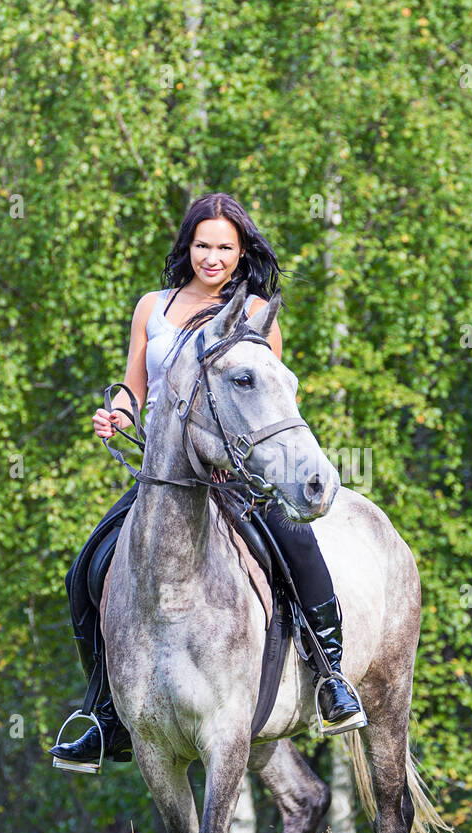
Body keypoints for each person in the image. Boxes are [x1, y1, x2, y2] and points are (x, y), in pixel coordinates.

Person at [50, 193, 366, 769]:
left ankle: (331, 675)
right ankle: (105, 711)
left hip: (235, 476)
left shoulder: (256, 314)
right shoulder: (153, 307)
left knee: (296, 545)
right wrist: (117, 413)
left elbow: (268, 397)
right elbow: (133, 387)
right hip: (167, 475)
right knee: (87, 567)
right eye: (203, 245)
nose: (213, 257)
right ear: (187, 246)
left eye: (225, 247)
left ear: (241, 250)